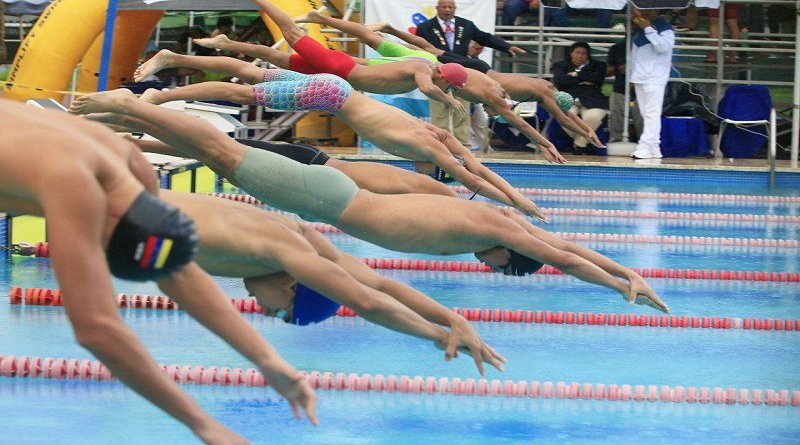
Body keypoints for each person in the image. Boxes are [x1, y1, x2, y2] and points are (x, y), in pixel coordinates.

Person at [68, 90, 668, 314]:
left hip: (335, 195)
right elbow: (559, 256)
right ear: (506, 257)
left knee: (225, 155)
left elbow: (560, 246)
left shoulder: (491, 224)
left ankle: (125, 115)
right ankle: (127, 105)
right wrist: (618, 285)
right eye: (503, 269)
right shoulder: (493, 227)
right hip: (332, 199)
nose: (490, 270)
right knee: (225, 155)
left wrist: (627, 270)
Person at [0, 99, 317, 445]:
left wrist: (269, 361)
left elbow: (178, 274)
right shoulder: (78, 186)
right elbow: (96, 330)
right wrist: (203, 425)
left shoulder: (132, 169)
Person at [159, 190, 505, 375]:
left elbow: (380, 285)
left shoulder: (299, 238)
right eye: (282, 314)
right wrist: (440, 336)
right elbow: (368, 302)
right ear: (293, 288)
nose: (265, 313)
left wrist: (454, 319)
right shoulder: (287, 250)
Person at [127, 69, 550, 219]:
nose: (422, 176)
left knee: (248, 75)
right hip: (329, 96)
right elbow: (471, 173)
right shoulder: (435, 151)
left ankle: (160, 89)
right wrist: (519, 204)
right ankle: (157, 97)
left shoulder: (437, 137)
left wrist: (517, 199)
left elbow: (477, 169)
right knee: (242, 94)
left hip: (336, 90)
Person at [135, 1, 465, 113]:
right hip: (338, 68)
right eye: (446, 86)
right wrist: (450, 102)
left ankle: (198, 49)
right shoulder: (426, 69)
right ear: (442, 74)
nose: (443, 89)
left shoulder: (413, 62)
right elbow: (427, 87)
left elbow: (370, 62)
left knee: (269, 58)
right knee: (293, 34)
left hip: (341, 69)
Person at [372, 22, 604, 149]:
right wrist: (584, 135)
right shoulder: (546, 94)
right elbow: (563, 118)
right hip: (478, 73)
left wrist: (588, 130)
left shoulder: (547, 86)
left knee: (427, 49)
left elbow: (566, 114)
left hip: (481, 69)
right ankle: (388, 33)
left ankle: (389, 29)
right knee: (425, 52)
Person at [137, 138, 459, 197]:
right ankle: (141, 141)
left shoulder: (419, 186)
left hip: (308, 166)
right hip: (307, 164)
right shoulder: (428, 189)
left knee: (217, 153)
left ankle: (141, 141)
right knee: (216, 149)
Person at [415, 0, 528, 146]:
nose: (447, 10)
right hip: (437, 76)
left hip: (460, 77)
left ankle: (463, 147)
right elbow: (417, 48)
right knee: (439, 113)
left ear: (455, 9)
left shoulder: (465, 25)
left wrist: (507, 47)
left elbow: (484, 37)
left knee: (461, 112)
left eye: (450, 7)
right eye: (444, 7)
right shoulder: (425, 27)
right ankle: (439, 146)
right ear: (437, 8)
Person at [629, 9, 675, 160]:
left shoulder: (665, 27)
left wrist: (648, 29)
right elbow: (635, 55)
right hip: (641, 76)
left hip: (655, 76)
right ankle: (654, 148)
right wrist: (632, 76)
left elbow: (664, 47)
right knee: (645, 114)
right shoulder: (638, 29)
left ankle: (644, 146)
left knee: (652, 114)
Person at [552, 42, 609, 155]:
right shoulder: (561, 65)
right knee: (565, 116)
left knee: (593, 117)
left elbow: (597, 80)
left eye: (583, 53)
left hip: (592, 100)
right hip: (569, 99)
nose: (580, 55)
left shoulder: (599, 65)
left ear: (588, 55)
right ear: (571, 53)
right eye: (577, 52)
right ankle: (581, 144)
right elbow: (559, 80)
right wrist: (585, 80)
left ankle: (578, 144)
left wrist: (575, 75)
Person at [606, 38, 643, 143]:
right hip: (620, 88)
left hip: (642, 89)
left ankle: (645, 142)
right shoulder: (617, 48)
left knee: (642, 116)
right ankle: (616, 140)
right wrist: (620, 68)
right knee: (616, 114)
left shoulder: (648, 47)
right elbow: (608, 71)